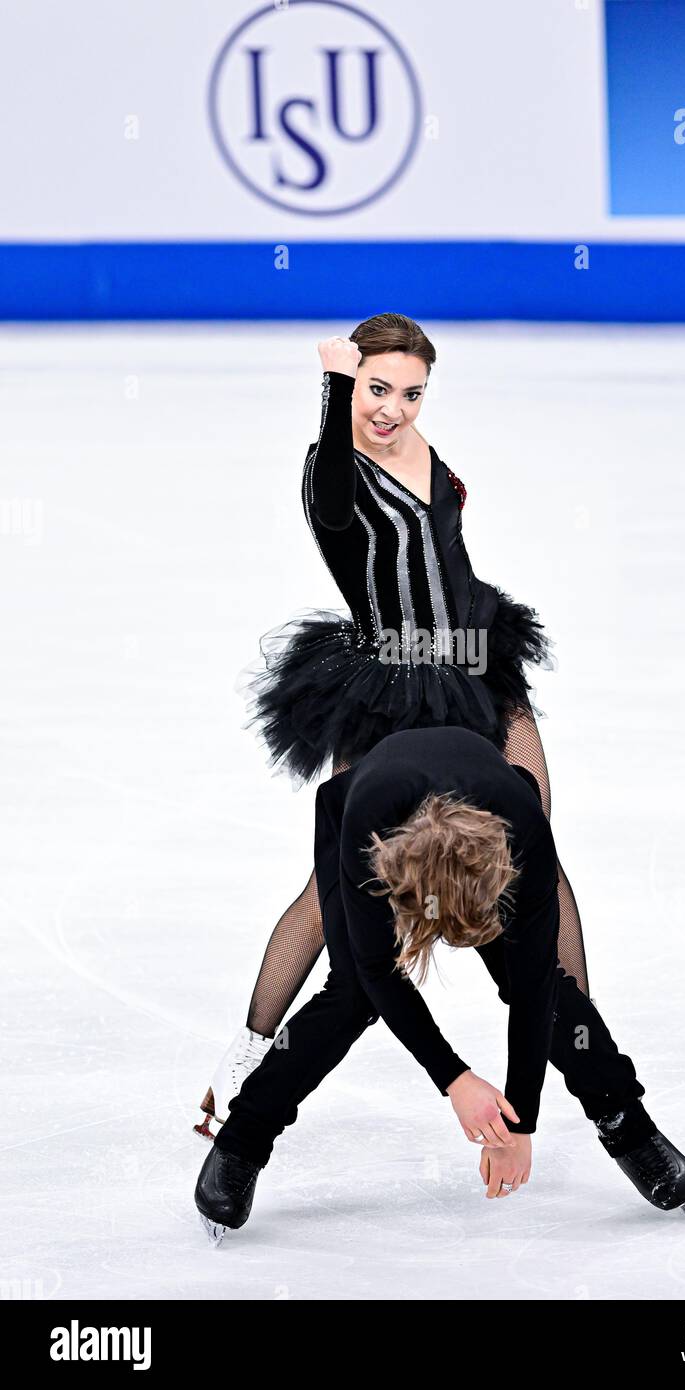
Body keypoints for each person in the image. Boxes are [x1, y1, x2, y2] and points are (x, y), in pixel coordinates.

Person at [195, 312, 592, 1138]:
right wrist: (336, 386)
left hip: (478, 660)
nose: (394, 410)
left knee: (538, 858)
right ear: (347, 387)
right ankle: (244, 1066)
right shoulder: (327, 469)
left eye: (411, 393)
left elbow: (443, 546)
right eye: (377, 390)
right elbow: (341, 502)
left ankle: (586, 1049)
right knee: (334, 887)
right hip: (387, 685)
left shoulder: (418, 443)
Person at [194, 728, 685, 1240]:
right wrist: (454, 1078)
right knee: (350, 995)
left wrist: (519, 1125)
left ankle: (626, 1123)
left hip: (491, 825)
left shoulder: (526, 835)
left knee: (549, 992)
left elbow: (534, 989)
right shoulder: (367, 837)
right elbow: (377, 972)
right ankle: (241, 1141)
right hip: (365, 819)